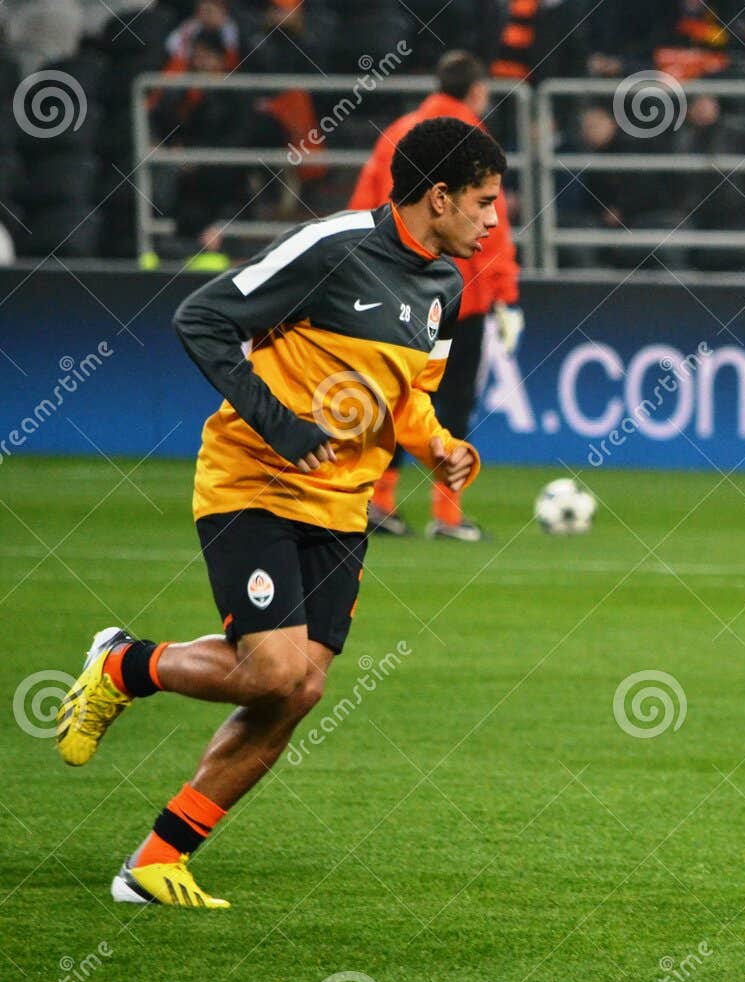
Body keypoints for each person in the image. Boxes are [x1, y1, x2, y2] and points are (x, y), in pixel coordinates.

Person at [51, 117, 503, 909]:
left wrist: (440, 449)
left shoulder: (444, 285)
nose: (496, 220)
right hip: (252, 481)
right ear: (440, 197)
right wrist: (282, 425)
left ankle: (156, 860)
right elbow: (202, 317)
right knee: (270, 668)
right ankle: (124, 664)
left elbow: (413, 401)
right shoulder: (333, 248)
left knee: (297, 691)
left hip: (341, 508)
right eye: (485, 201)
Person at [349, 51, 521, 541]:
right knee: (456, 401)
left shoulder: (400, 132)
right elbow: (495, 226)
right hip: (461, 293)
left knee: (394, 395)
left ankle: (378, 502)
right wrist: (506, 293)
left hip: (396, 287)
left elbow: (365, 206)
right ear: (478, 90)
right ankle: (446, 515)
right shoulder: (476, 145)